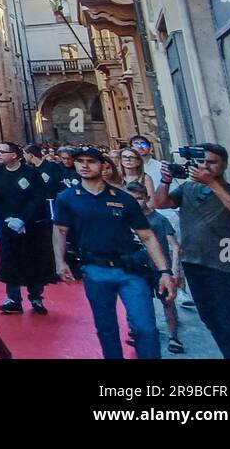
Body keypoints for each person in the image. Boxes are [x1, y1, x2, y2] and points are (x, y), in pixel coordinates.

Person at [54, 146, 176, 359]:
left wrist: (165, 271)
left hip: (130, 269)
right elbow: (60, 231)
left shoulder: (124, 198)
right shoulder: (67, 198)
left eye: (90, 161)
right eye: (79, 161)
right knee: (106, 328)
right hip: (95, 269)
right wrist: (59, 261)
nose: (84, 165)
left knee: (145, 328)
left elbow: (147, 236)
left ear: (103, 165)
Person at [153, 144, 230, 359]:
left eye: (212, 163)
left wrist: (211, 183)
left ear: (224, 165)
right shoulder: (188, 189)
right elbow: (160, 203)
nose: (206, 167)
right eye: (202, 162)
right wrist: (165, 180)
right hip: (194, 263)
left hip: (225, 266)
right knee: (211, 320)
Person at [0, 142, 55, 314]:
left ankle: (36, 297)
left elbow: (37, 197)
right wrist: (8, 218)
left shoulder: (30, 173)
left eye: (3, 152)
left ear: (14, 155)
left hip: (30, 225)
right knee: (11, 260)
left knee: (33, 259)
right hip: (8, 224)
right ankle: (13, 298)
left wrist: (23, 219)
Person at [125, 181, 184, 354]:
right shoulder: (124, 219)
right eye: (132, 199)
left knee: (168, 302)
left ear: (147, 198)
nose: (136, 203)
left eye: (139, 198)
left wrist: (174, 269)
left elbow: (175, 246)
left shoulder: (159, 219)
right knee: (138, 302)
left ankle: (174, 336)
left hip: (160, 269)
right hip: (136, 268)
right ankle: (139, 331)